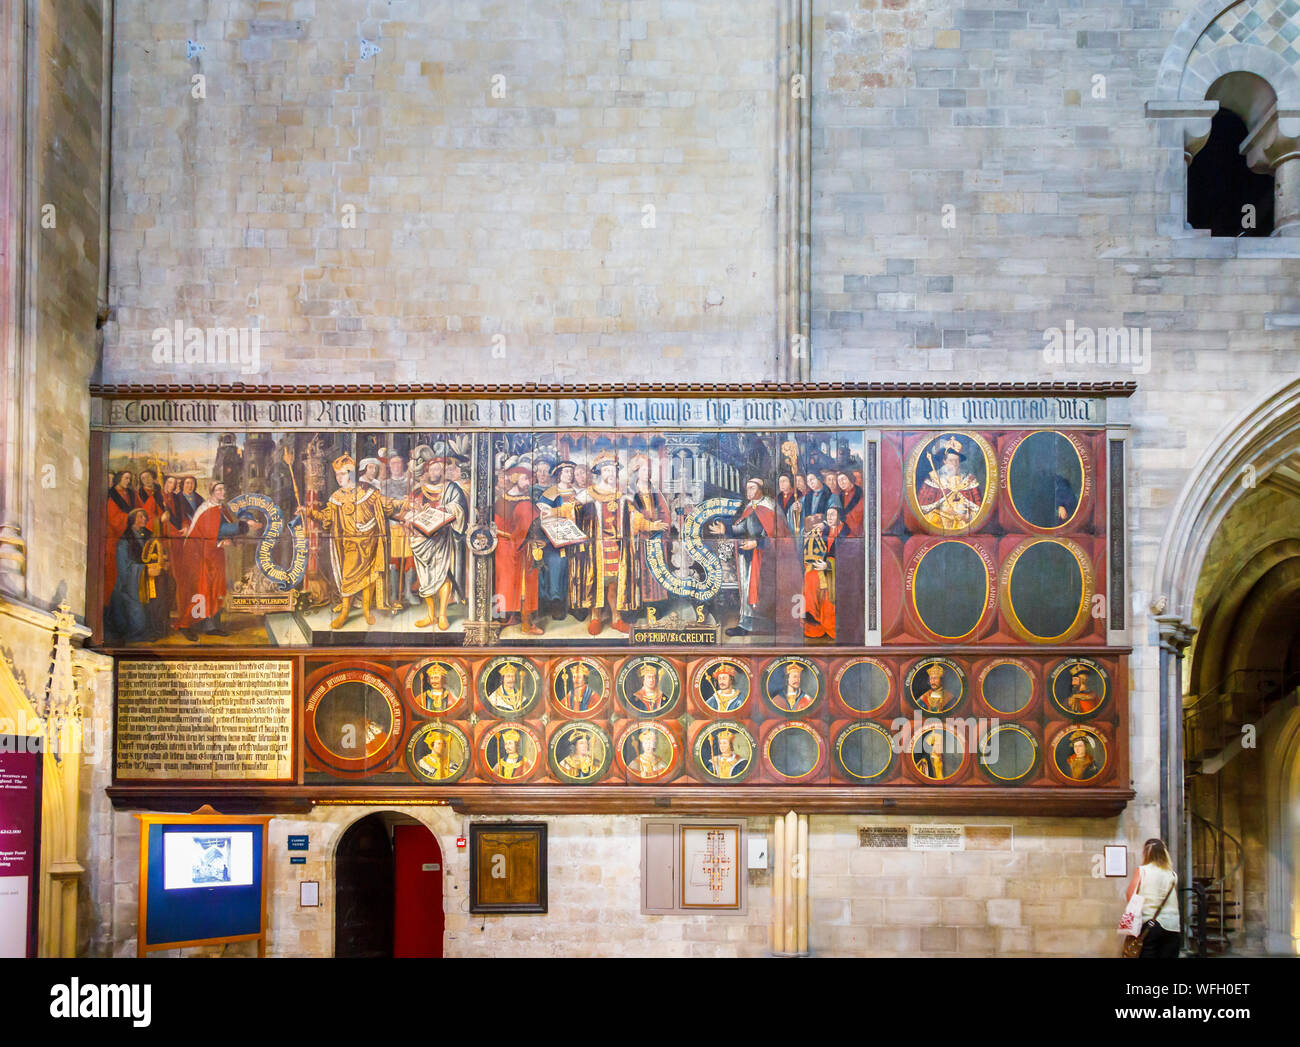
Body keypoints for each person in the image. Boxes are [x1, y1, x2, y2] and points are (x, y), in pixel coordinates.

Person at [306, 454, 402, 630]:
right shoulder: (336, 497)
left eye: (342, 474)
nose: (339, 478)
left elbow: (385, 503)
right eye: (337, 475)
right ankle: (345, 612)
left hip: (370, 541)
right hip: (350, 544)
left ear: (350, 474)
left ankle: (366, 610)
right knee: (348, 577)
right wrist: (311, 512)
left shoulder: (368, 492)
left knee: (370, 577)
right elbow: (327, 517)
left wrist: (401, 503)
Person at [177, 480, 262, 640]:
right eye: (219, 489)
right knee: (200, 591)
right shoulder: (208, 509)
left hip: (214, 554)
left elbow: (226, 527)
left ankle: (211, 626)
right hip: (200, 556)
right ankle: (185, 625)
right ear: (212, 492)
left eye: (223, 489)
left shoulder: (221, 508)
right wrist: (245, 526)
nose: (222, 492)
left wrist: (232, 534)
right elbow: (217, 530)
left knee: (215, 589)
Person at [406, 447, 469, 630]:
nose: (435, 472)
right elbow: (409, 512)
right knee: (425, 579)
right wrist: (414, 512)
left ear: (442, 471)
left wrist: (444, 510)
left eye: (438, 469)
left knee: (441, 576)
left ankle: (442, 615)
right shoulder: (419, 491)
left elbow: (459, 508)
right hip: (421, 540)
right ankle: (430, 615)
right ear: (427, 471)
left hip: (442, 538)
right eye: (432, 469)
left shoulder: (452, 488)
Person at [708, 477, 778, 636]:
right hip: (750, 553)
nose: (749, 491)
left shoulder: (769, 506)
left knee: (761, 590)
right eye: (747, 488)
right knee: (747, 588)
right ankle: (745, 624)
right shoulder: (750, 507)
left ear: (761, 489)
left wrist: (758, 543)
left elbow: (777, 535)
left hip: (766, 556)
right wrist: (725, 529)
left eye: (752, 488)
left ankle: (764, 624)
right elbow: (740, 528)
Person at [492, 458, 544, 635]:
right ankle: (523, 623)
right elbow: (529, 528)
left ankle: (510, 619)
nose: (528, 482)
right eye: (525, 479)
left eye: (529, 479)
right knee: (515, 584)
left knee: (507, 583)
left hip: (506, 546)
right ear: (515, 479)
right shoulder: (524, 504)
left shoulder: (503, 499)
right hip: (516, 547)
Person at [1125, 838, 1180, 958]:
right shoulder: (1172, 874)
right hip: (1172, 926)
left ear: (1146, 853)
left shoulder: (1143, 871)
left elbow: (1130, 895)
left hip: (1150, 925)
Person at [919, 435, 981, 530]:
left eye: (957, 461)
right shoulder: (934, 480)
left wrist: (965, 517)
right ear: (944, 461)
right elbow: (926, 512)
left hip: (964, 526)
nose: (954, 464)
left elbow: (977, 512)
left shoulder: (969, 481)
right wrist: (946, 513)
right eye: (951, 460)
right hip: (941, 523)